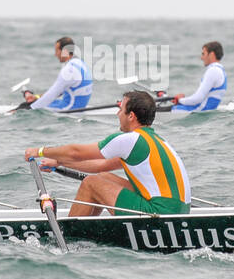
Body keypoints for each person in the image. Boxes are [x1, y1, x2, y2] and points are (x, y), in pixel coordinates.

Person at [26, 90, 191, 217]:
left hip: (160, 214)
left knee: (91, 183)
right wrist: (59, 162)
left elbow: (76, 152)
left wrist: (40, 151)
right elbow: (101, 166)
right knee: (104, 177)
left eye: (121, 110)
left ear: (131, 116)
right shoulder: (158, 141)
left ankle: (69, 234)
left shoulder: (130, 140)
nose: (117, 114)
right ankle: (89, 227)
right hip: (179, 213)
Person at [20, 36, 93, 111]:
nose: (55, 54)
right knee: (34, 102)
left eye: (57, 51)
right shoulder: (81, 63)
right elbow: (59, 93)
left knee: (24, 106)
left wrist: (30, 108)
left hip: (69, 108)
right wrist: (36, 97)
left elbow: (52, 94)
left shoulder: (69, 70)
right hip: (79, 106)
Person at [172, 41, 227, 112]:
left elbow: (197, 99)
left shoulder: (213, 71)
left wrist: (179, 100)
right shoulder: (221, 70)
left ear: (211, 54)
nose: (201, 58)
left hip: (197, 110)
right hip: (204, 111)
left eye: (203, 54)